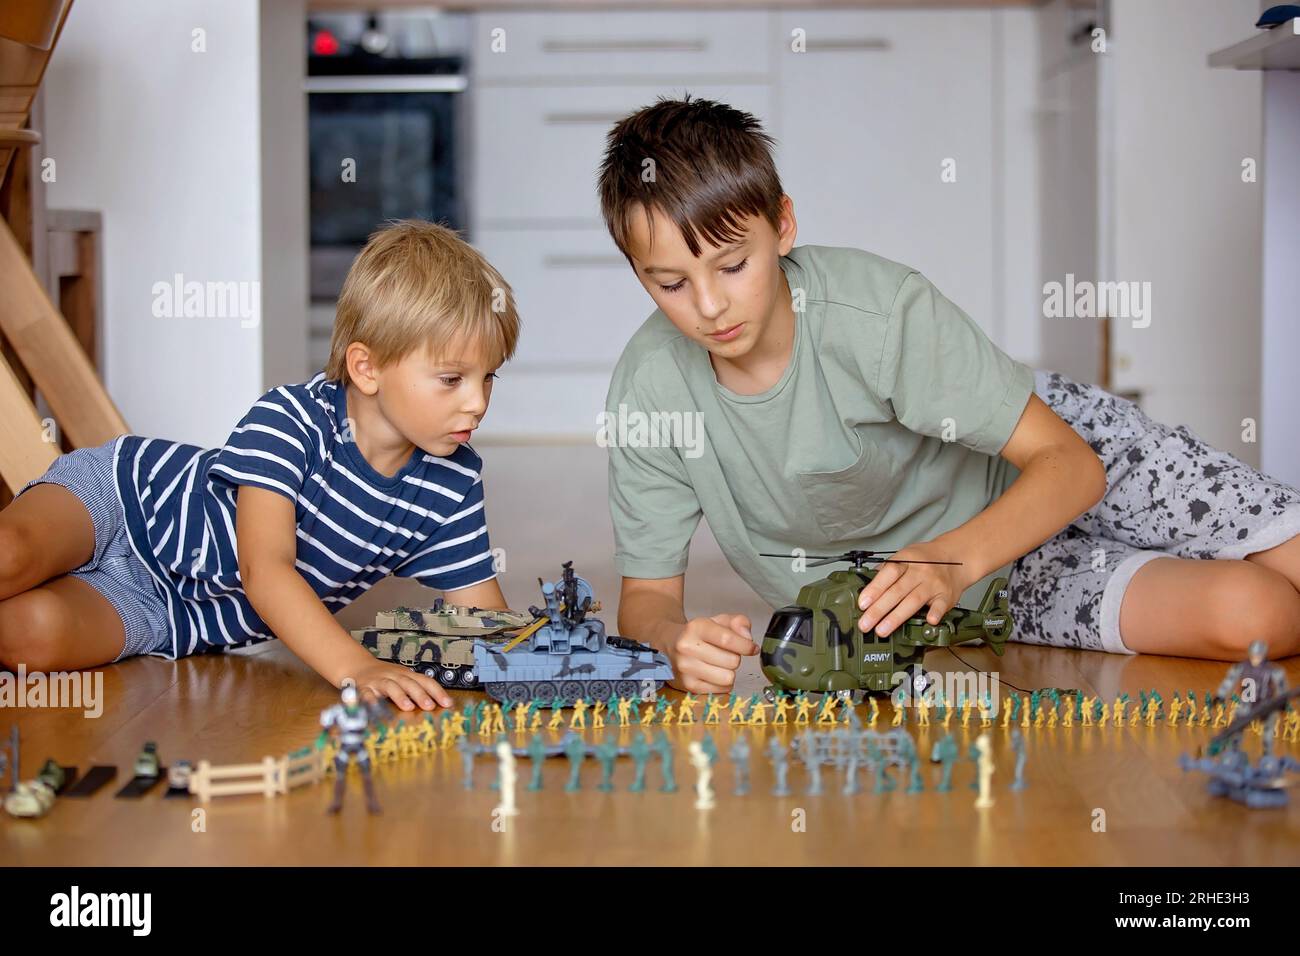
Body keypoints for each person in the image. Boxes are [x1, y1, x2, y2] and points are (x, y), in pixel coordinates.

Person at [597, 96, 1300, 694]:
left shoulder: (880, 312)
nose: (712, 306)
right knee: (1257, 617)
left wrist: (950, 557)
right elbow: (649, 601)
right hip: (983, 587)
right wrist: (672, 643)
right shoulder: (650, 391)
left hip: (1054, 450)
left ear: (782, 226)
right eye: (671, 284)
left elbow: (1073, 464)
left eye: (733, 264)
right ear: (636, 274)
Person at [0, 221, 519, 711]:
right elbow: (264, 570)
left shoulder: (451, 483)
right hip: (123, 498)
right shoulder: (290, 419)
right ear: (367, 368)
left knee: (31, 637)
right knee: (11, 554)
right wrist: (355, 669)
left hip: (174, 613)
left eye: (489, 377)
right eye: (452, 379)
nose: (478, 402)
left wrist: (551, 661)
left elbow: (483, 620)